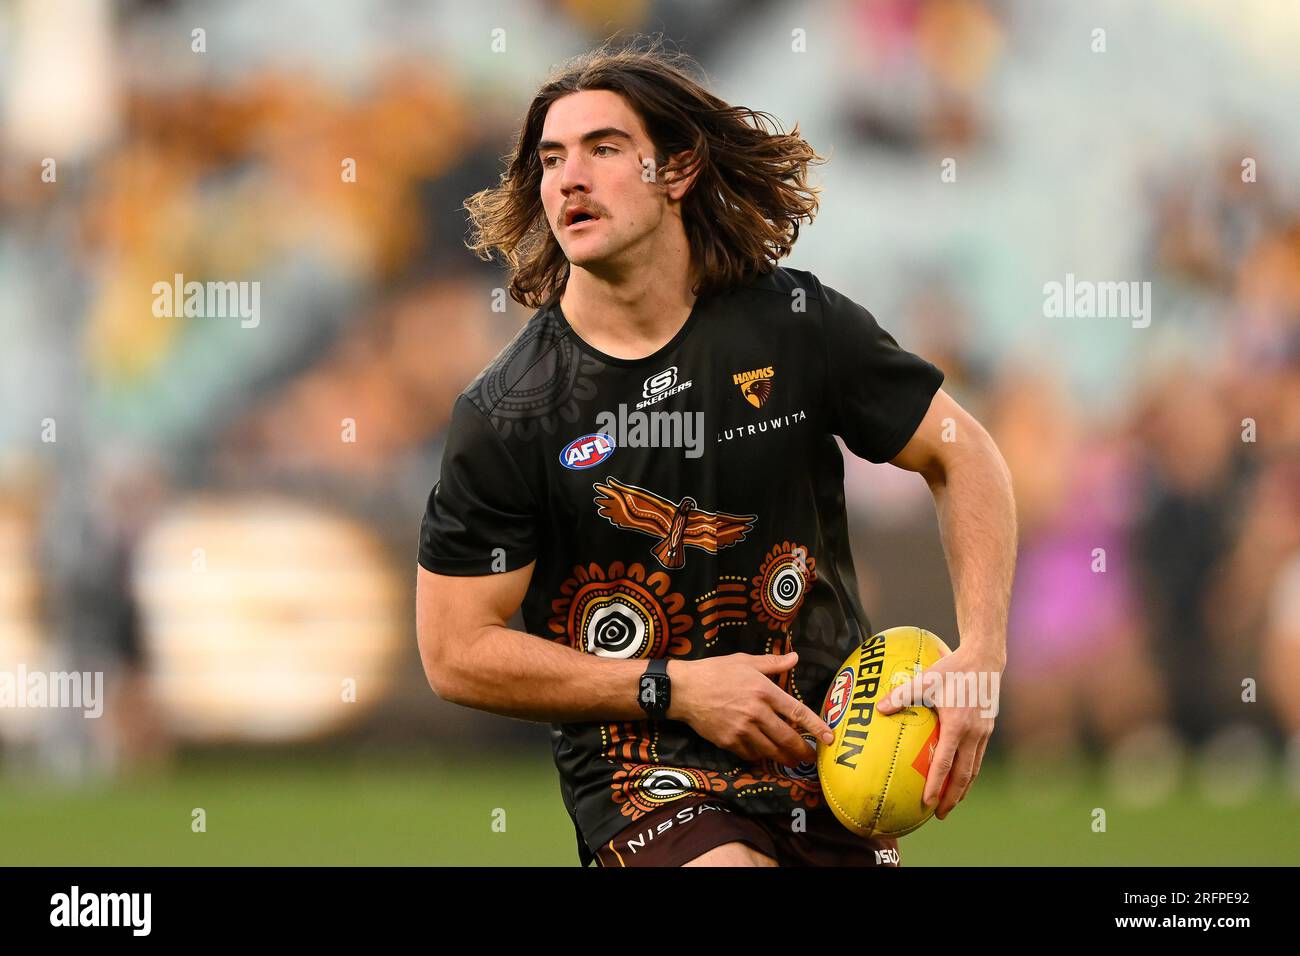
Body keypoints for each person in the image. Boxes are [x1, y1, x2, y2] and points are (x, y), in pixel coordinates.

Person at [415, 40, 1016, 867]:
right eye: (552, 158)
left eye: (604, 149)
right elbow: (454, 652)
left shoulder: (796, 323)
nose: (569, 178)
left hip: (827, 755)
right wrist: (674, 687)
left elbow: (963, 454)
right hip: (644, 774)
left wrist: (981, 653)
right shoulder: (508, 412)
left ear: (680, 171)